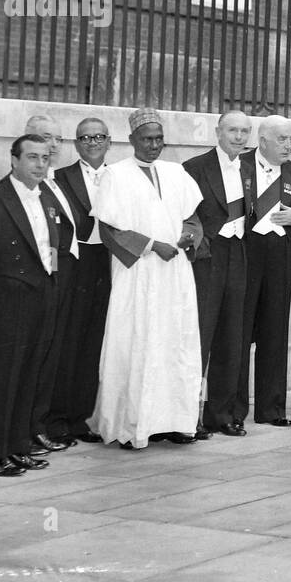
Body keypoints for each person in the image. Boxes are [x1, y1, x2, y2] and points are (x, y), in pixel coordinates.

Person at [92, 109, 204, 449]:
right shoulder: (115, 175)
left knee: (176, 344)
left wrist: (188, 237)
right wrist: (153, 246)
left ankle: (175, 421)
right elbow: (109, 229)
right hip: (138, 274)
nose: (154, 145)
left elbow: (193, 218)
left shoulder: (176, 172)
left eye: (158, 139)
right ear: (132, 141)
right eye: (146, 139)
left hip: (175, 274)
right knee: (137, 343)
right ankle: (133, 425)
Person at [0, 136, 62, 477]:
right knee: (3, 379)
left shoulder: (47, 199)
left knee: (29, 376)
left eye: (44, 158)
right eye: (31, 158)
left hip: (41, 295)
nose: (39, 164)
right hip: (7, 301)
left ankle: (18, 447)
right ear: (14, 160)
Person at [237, 115, 291, 428]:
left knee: (275, 330)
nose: (289, 146)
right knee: (239, 333)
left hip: (280, 256)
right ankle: (233, 411)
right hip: (245, 255)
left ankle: (272, 409)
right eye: (283, 139)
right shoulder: (239, 165)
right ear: (264, 139)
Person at [184, 111, 252, 436]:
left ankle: (221, 415)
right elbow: (186, 213)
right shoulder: (195, 167)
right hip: (207, 256)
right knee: (200, 335)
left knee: (231, 337)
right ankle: (187, 417)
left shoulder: (252, 167)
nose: (238, 137)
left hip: (238, 253)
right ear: (218, 132)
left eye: (244, 131)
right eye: (232, 130)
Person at [47, 117, 112, 443]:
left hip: (110, 263)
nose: (92, 142)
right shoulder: (60, 178)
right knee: (69, 341)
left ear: (109, 142)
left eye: (99, 136)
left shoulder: (120, 176)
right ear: (76, 144)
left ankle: (79, 419)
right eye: (85, 138)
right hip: (76, 262)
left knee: (93, 343)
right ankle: (57, 418)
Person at [23, 114, 81, 455]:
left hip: (64, 279)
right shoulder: (31, 184)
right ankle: (29, 429)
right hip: (42, 282)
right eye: (46, 137)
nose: (53, 145)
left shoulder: (56, 180)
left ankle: (41, 426)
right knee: (37, 358)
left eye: (58, 138)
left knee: (52, 357)